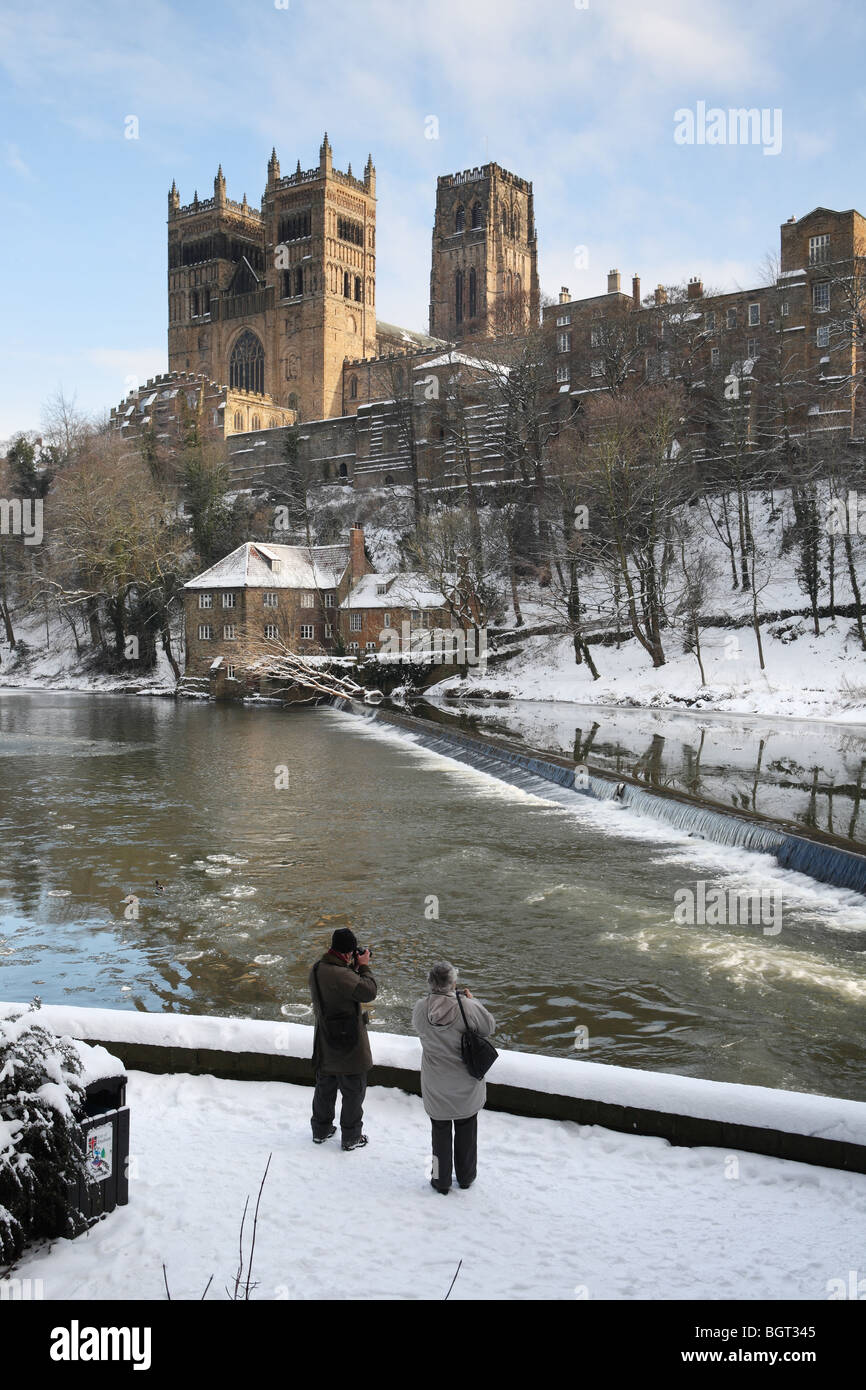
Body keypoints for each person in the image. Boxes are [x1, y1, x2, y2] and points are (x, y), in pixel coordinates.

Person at [411, 961, 495, 1194]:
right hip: (465, 1082)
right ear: (453, 983)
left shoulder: (421, 1008)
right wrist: (473, 1000)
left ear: (430, 983)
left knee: (439, 1132)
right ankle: (466, 1177)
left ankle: (440, 1180)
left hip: (435, 1082)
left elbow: (421, 1030)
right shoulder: (467, 1007)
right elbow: (489, 1027)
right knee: (467, 1128)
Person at [309, 927, 377, 1151]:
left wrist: (353, 968)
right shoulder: (341, 975)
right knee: (353, 1091)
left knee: (325, 1087)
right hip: (348, 1043)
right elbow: (368, 992)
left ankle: (320, 1130)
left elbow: (338, 988)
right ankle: (351, 1137)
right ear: (348, 953)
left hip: (325, 1039)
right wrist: (364, 967)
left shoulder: (318, 968)